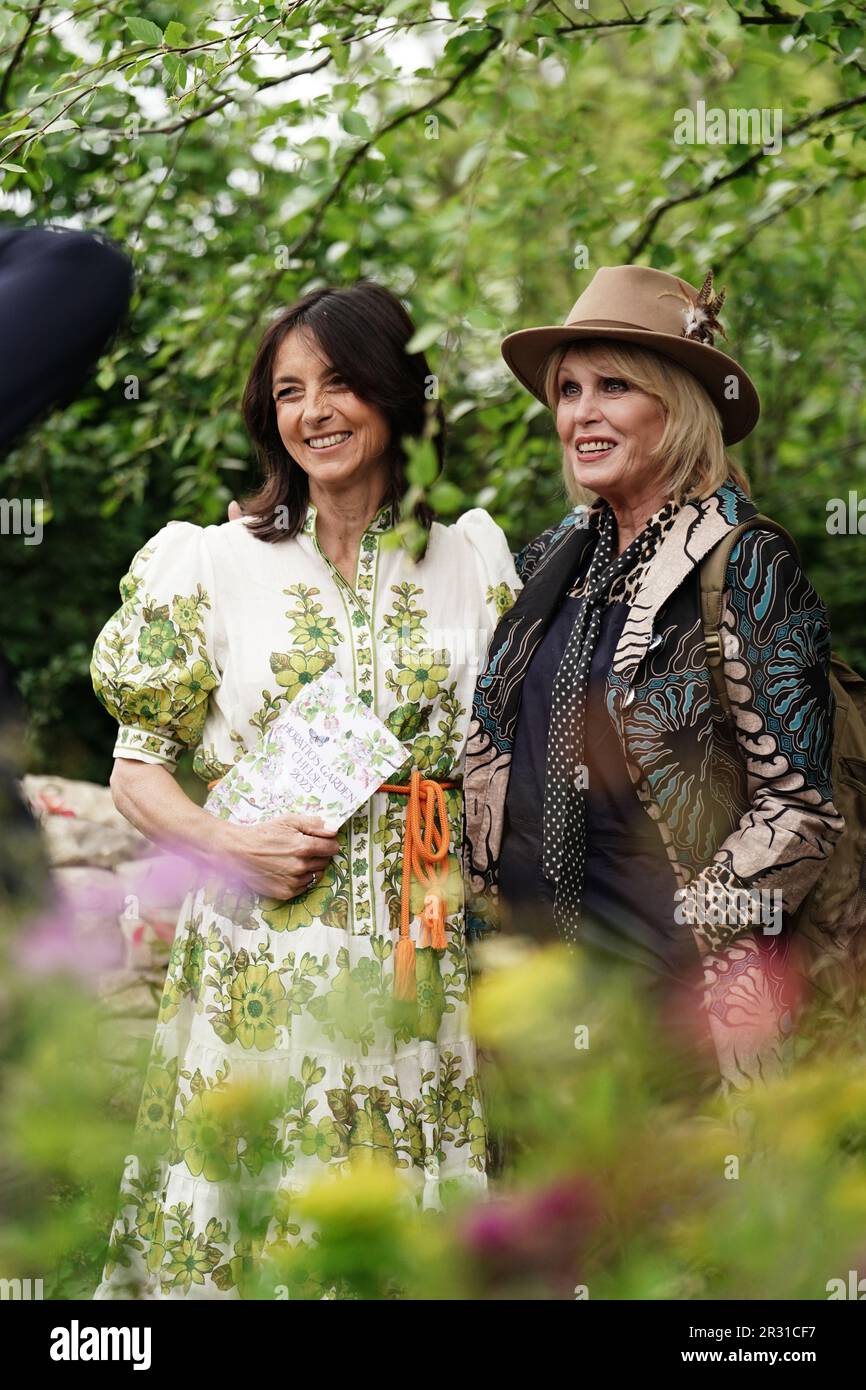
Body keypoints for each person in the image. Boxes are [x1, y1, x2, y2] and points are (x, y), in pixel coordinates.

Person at [90, 280, 520, 1299]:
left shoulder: (470, 557)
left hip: (424, 951)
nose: (313, 410)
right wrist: (222, 843)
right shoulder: (210, 563)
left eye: (338, 381)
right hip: (259, 962)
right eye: (288, 392)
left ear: (398, 392)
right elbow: (135, 767)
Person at [463, 264, 845, 1097]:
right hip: (532, 1017)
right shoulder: (547, 564)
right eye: (567, 390)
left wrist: (686, 938)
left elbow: (801, 813)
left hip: (679, 1028)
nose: (580, 413)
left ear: (677, 405)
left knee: (679, 1224)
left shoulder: (745, 560)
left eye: (613, 387)